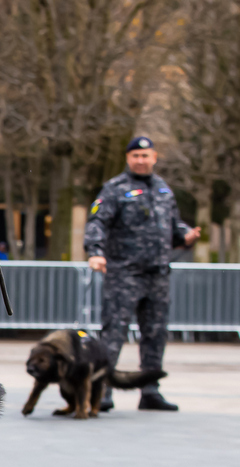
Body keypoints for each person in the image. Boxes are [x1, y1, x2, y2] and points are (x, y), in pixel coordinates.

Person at [84, 136, 200, 412]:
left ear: (154, 157)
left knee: (156, 334)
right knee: (113, 334)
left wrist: (186, 234)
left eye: (145, 156)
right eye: (135, 155)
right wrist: (95, 251)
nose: (140, 160)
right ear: (128, 158)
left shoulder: (163, 189)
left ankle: (150, 390)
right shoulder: (114, 188)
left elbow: (173, 227)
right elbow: (97, 221)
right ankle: (103, 390)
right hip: (125, 273)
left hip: (157, 275)